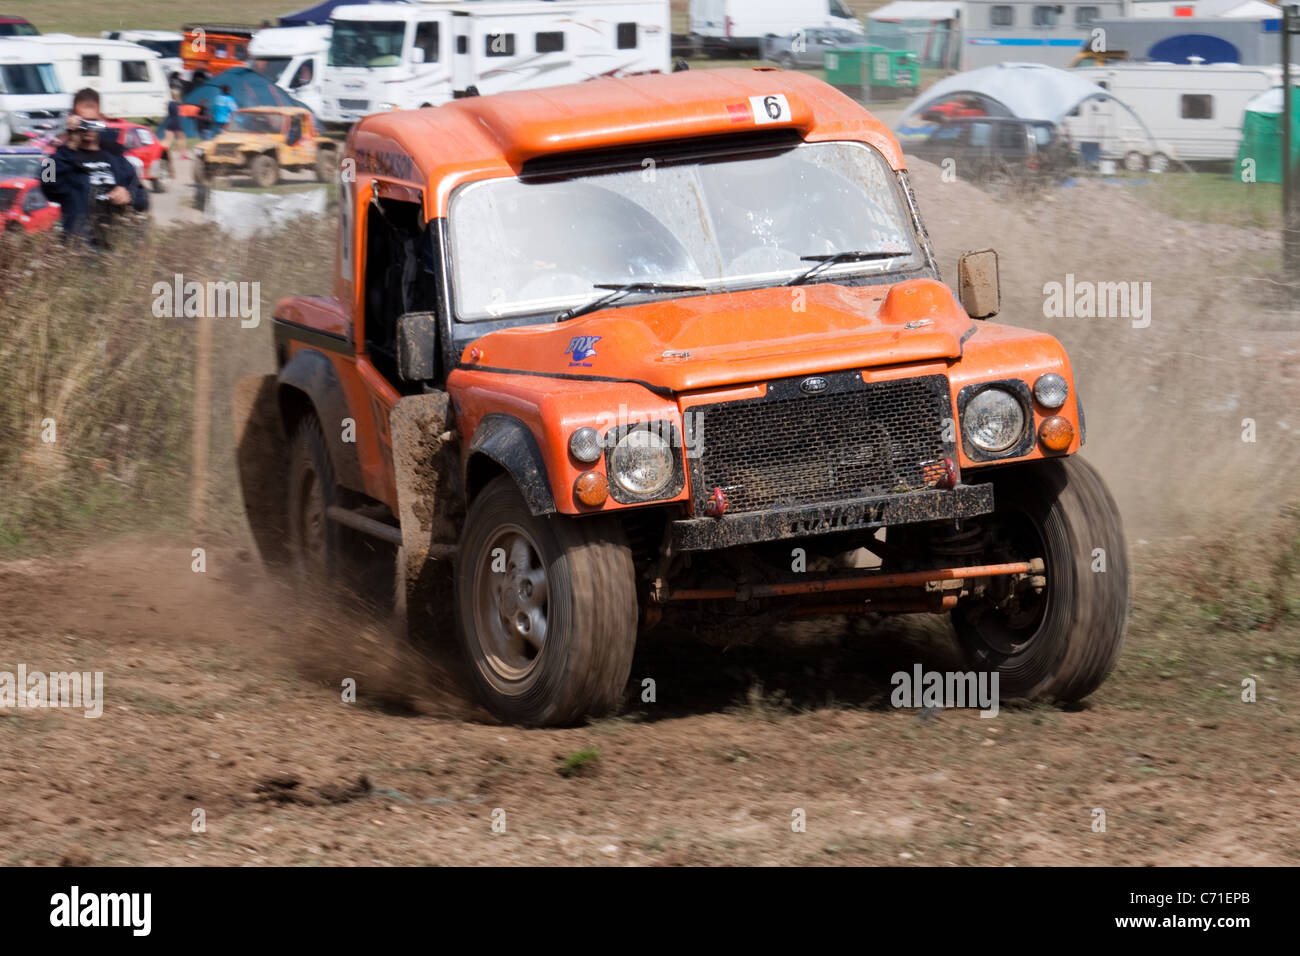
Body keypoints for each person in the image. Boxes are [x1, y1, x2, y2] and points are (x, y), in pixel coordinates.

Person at [41, 116, 148, 249]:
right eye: (83, 123)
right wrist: (69, 147)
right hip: (80, 246)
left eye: (92, 121)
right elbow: (46, 183)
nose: (88, 127)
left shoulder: (116, 158)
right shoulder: (58, 158)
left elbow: (143, 198)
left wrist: (129, 196)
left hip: (117, 246)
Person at [161, 89, 188, 159]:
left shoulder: (170, 103)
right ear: (177, 95)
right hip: (176, 122)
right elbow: (178, 113)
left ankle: (159, 151)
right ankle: (182, 154)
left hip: (170, 121)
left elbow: (166, 109)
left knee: (168, 140)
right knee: (181, 139)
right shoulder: (177, 104)